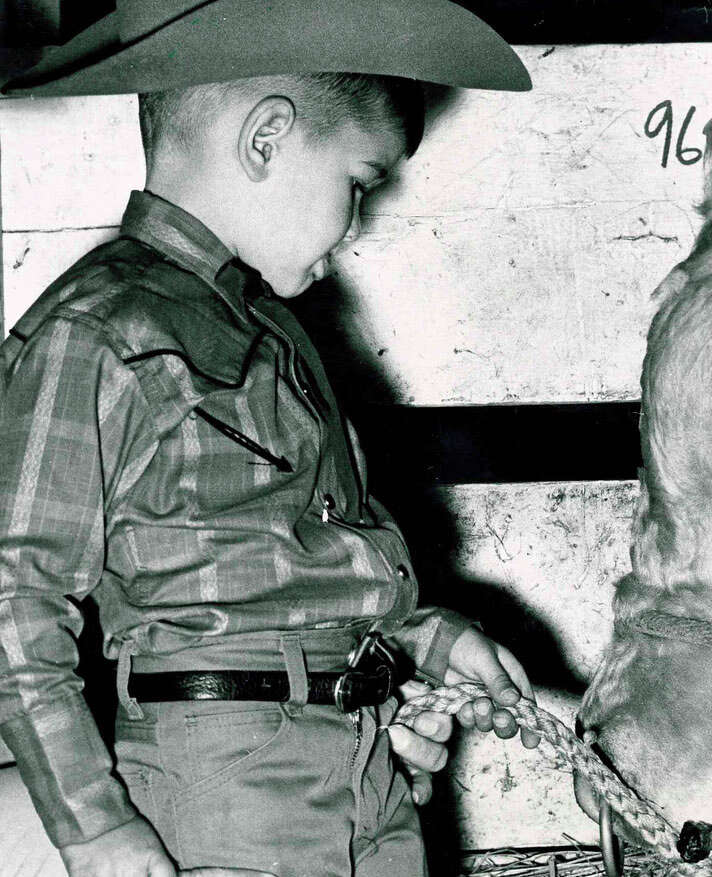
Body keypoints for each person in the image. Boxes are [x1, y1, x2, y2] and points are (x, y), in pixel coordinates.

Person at [0, 2, 537, 875]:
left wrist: (428, 637)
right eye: (358, 184)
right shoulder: (97, 334)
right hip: (222, 795)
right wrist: (95, 825)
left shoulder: (280, 341)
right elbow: (11, 595)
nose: (355, 224)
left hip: (364, 776)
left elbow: (301, 569)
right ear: (265, 141)